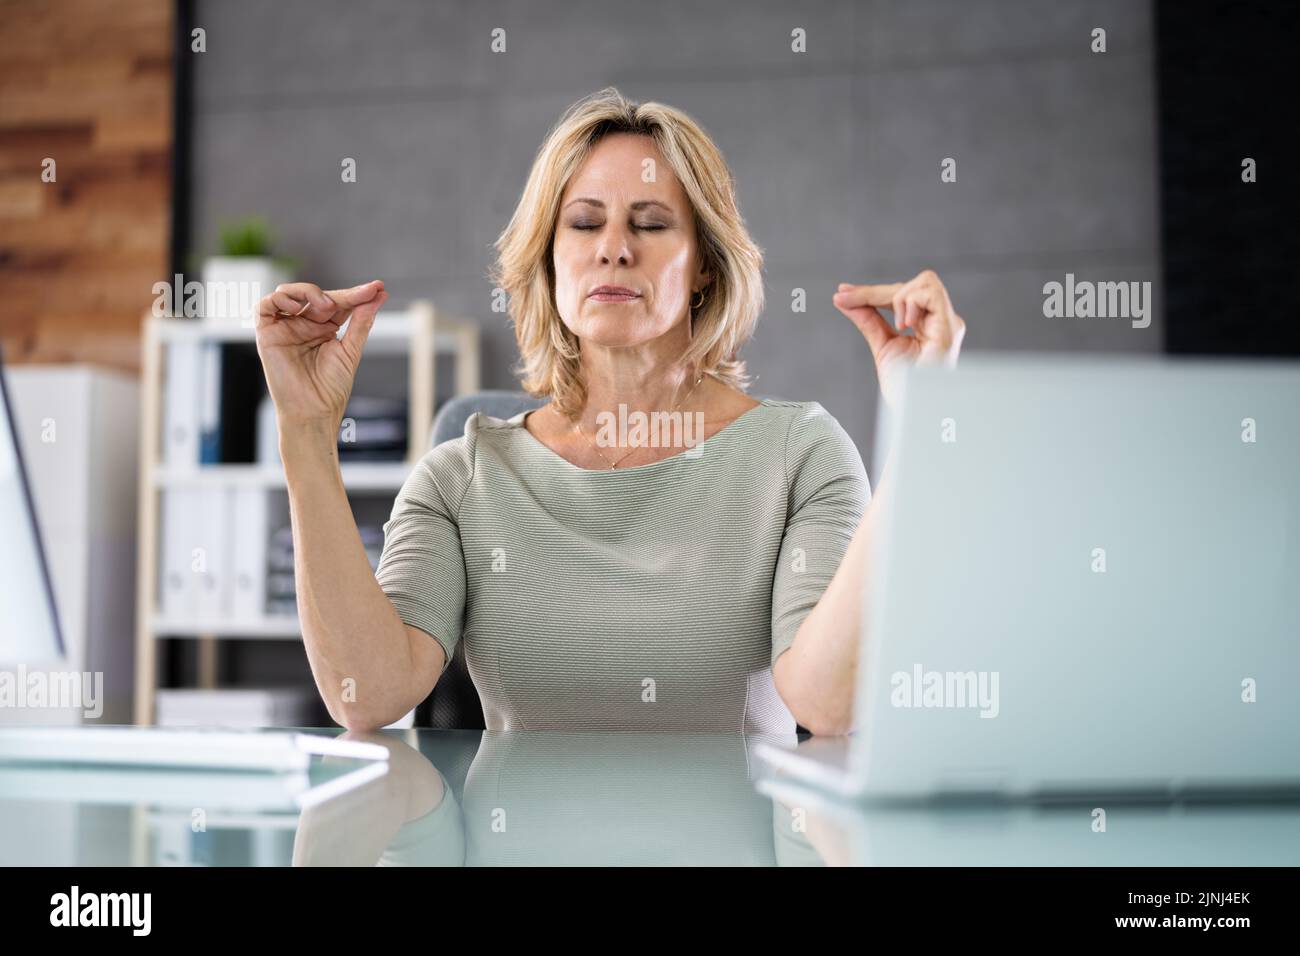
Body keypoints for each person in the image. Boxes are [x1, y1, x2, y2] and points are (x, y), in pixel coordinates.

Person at [253, 88, 965, 735]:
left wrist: (922, 426)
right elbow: (365, 695)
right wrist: (307, 433)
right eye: (584, 223)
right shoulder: (464, 474)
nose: (614, 250)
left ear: (705, 265)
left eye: (651, 225)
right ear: (549, 259)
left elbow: (829, 705)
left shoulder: (799, 453)